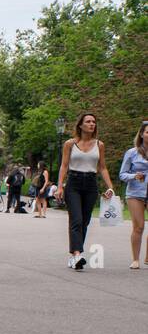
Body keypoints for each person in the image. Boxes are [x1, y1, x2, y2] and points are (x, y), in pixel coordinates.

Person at [55, 111, 117, 270]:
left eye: (93, 122)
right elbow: (64, 165)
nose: (91, 124)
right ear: (81, 125)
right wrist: (60, 186)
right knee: (76, 219)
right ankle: (77, 255)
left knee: (85, 221)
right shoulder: (69, 143)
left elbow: (102, 168)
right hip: (73, 183)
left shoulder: (99, 145)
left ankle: (74, 255)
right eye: (88, 121)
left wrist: (110, 187)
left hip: (90, 184)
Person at [118, 120, 148, 268]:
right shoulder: (132, 153)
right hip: (136, 192)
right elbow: (122, 175)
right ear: (142, 134)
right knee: (139, 227)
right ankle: (135, 259)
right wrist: (134, 176)